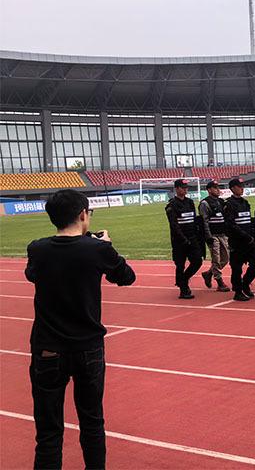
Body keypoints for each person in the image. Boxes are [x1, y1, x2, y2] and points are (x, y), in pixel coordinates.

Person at [25, 189, 136, 470]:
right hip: (88, 348)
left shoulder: (37, 249)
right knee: (92, 422)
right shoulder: (97, 249)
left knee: (48, 430)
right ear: (83, 214)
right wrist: (107, 246)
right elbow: (126, 277)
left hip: (47, 349)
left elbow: (32, 275)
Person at [223, 178, 255, 302]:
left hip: (249, 241)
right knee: (237, 268)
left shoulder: (245, 202)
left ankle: (245, 283)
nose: (242, 188)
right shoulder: (228, 204)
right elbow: (231, 224)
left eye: (242, 186)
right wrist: (244, 235)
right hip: (237, 241)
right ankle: (238, 291)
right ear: (232, 188)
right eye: (239, 186)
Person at [165, 178, 203, 299]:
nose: (185, 190)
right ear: (176, 189)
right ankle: (183, 289)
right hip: (179, 241)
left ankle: (183, 279)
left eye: (187, 188)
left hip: (192, 238)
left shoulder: (190, 202)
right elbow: (174, 225)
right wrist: (183, 239)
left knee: (197, 261)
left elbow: (194, 220)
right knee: (180, 265)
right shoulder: (171, 205)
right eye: (183, 188)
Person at [198, 180, 231, 292]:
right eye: (215, 188)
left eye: (218, 187)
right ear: (209, 190)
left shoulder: (221, 202)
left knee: (226, 258)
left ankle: (209, 273)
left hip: (223, 234)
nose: (218, 190)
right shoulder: (205, 203)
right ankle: (219, 281)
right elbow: (205, 221)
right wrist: (208, 236)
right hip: (213, 235)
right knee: (216, 259)